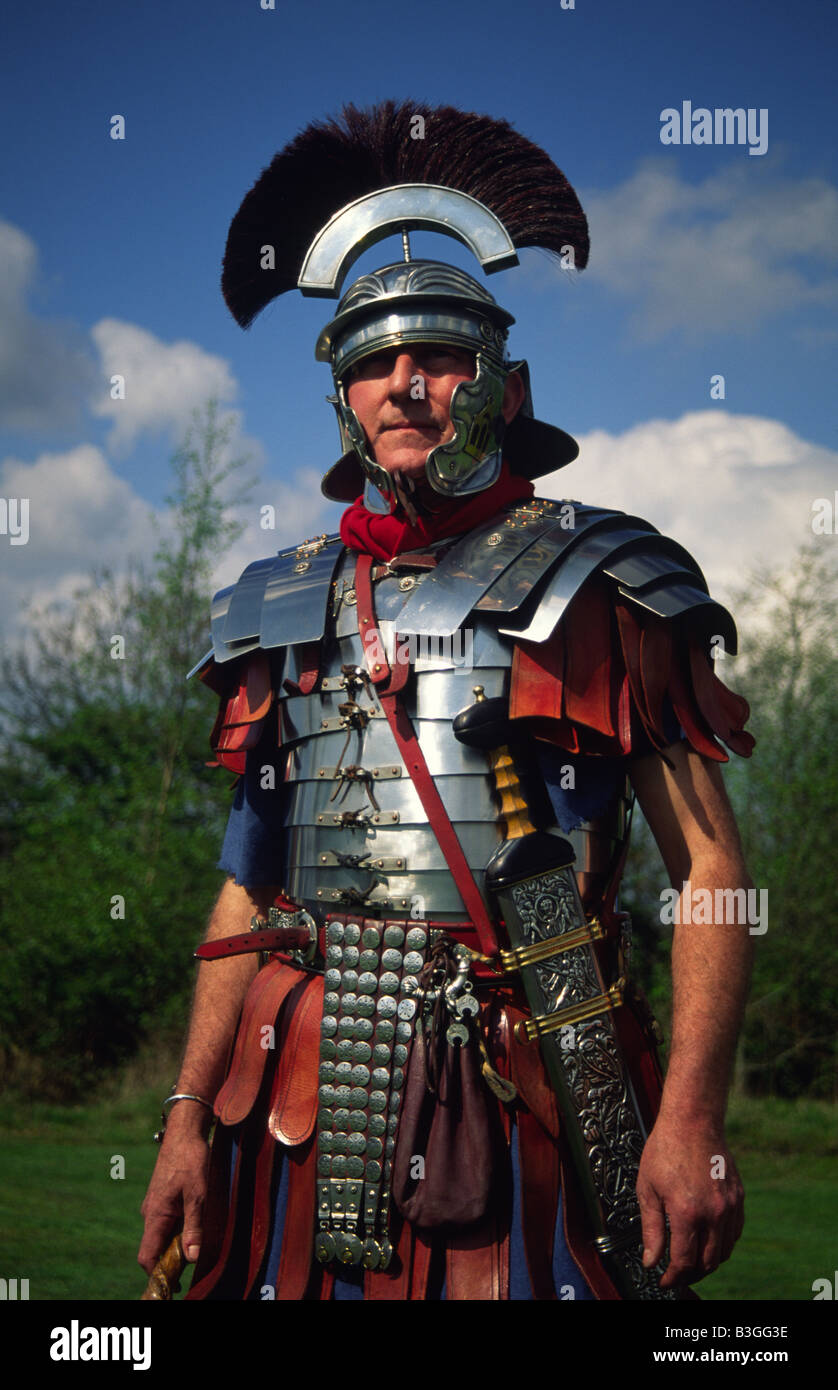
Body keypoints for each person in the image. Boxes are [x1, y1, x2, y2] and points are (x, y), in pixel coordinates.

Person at [138, 102, 755, 1301]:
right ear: (343, 401)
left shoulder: (605, 581)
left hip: (529, 1074)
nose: (405, 385)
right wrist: (180, 1116)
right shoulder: (284, 604)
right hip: (301, 1083)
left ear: (504, 385)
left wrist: (691, 1117)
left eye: (440, 357)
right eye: (374, 362)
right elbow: (249, 887)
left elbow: (713, 873)